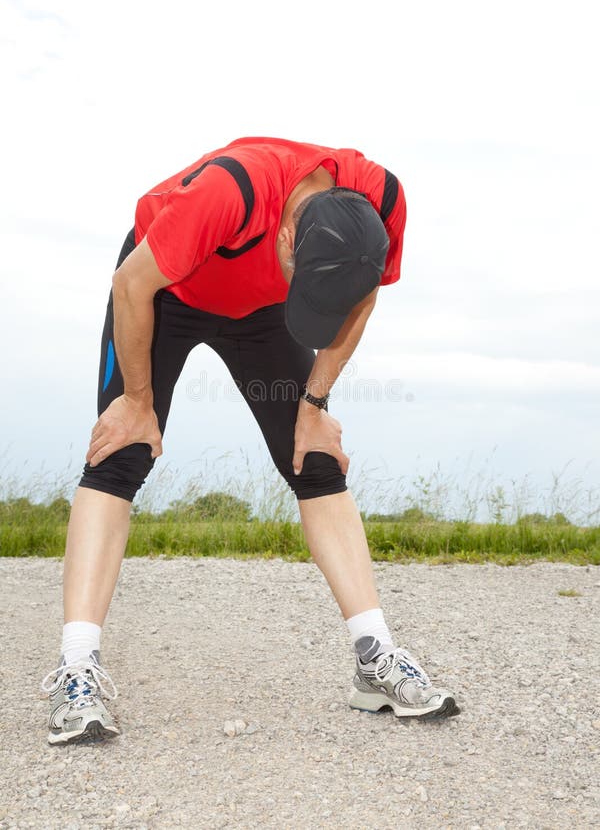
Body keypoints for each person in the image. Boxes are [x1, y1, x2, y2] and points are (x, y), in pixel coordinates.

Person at [40, 136, 458, 745]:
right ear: (287, 238)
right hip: (164, 291)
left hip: (259, 310)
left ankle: (377, 658)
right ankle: (76, 667)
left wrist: (314, 407)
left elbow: (362, 299)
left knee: (314, 459)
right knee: (120, 452)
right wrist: (136, 402)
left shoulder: (382, 200)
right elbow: (131, 283)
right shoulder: (228, 193)